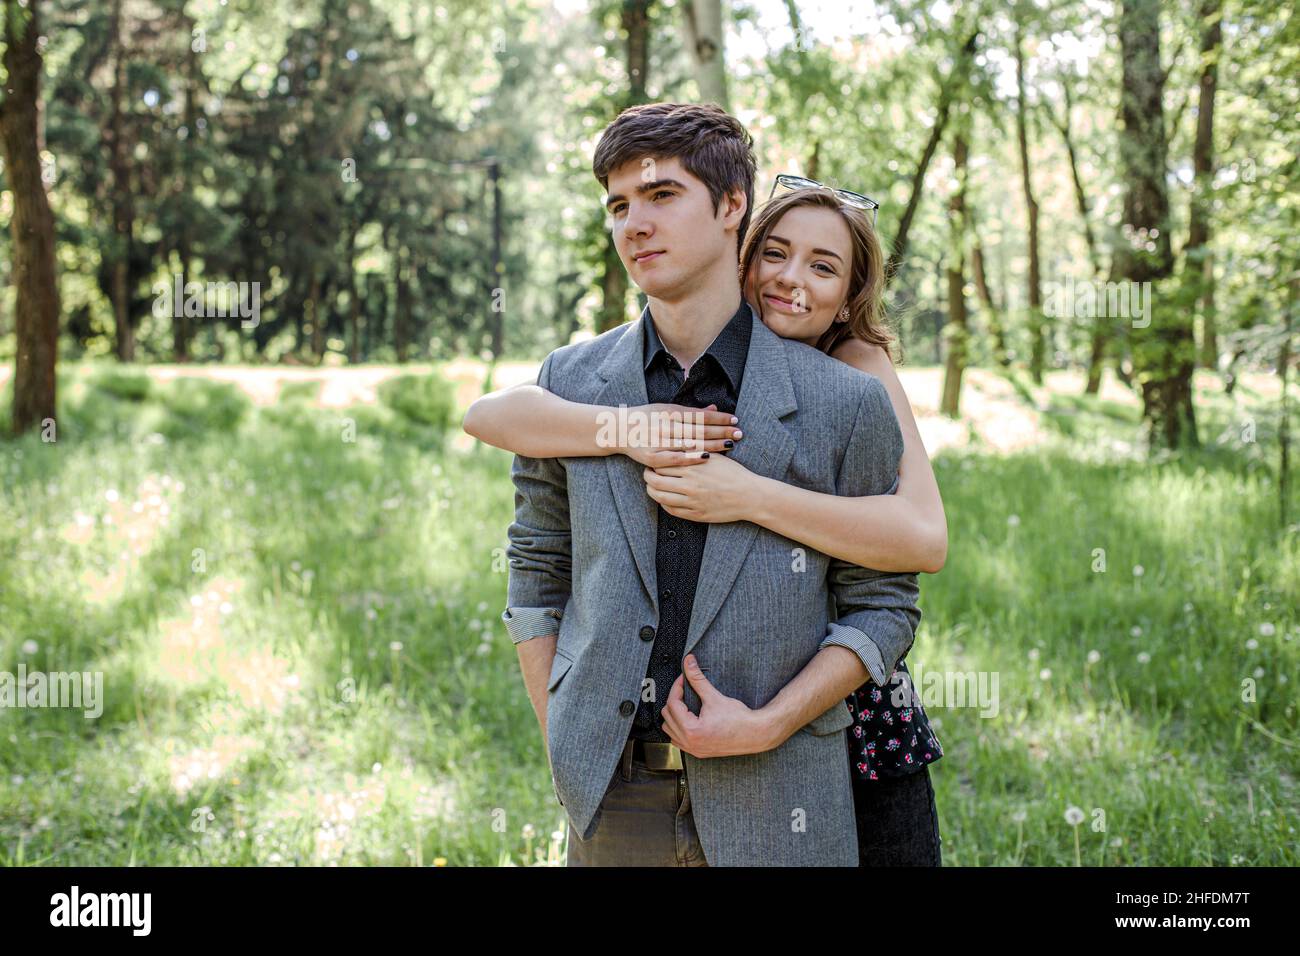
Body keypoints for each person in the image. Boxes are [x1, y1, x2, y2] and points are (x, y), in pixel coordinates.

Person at [470, 101, 933, 866]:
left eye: (660, 196)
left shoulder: (846, 398)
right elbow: (536, 564)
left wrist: (774, 722)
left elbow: (884, 601)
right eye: (618, 205)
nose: (632, 225)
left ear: (730, 207)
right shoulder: (569, 382)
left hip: (782, 798)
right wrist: (565, 730)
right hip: (614, 805)